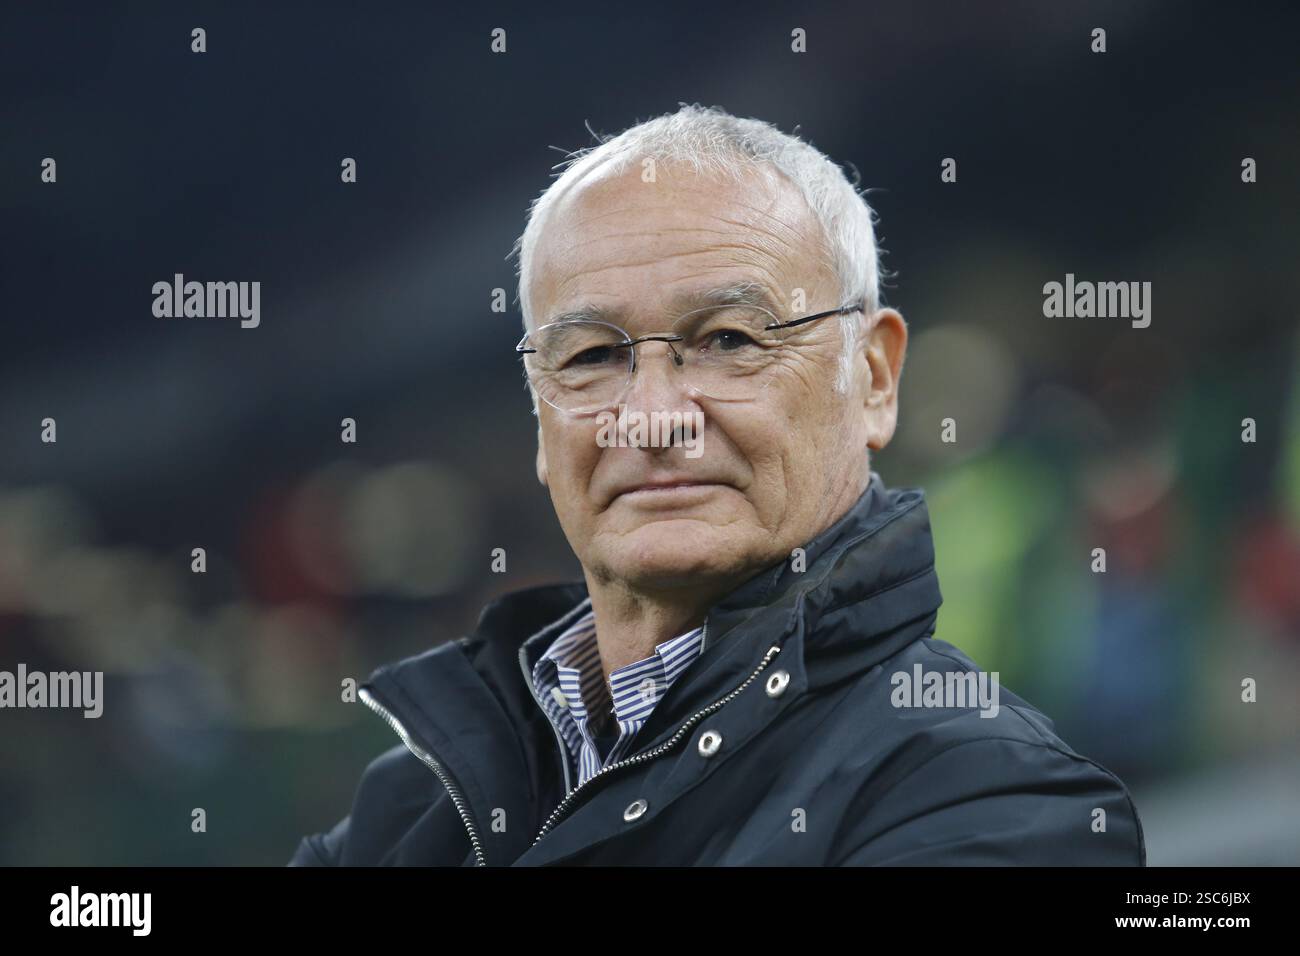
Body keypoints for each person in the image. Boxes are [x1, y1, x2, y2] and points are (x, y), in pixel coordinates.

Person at [289, 104, 1144, 866]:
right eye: (591, 357)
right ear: (540, 422)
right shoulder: (405, 810)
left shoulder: (998, 805)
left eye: (730, 340)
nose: (653, 417)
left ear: (874, 378)